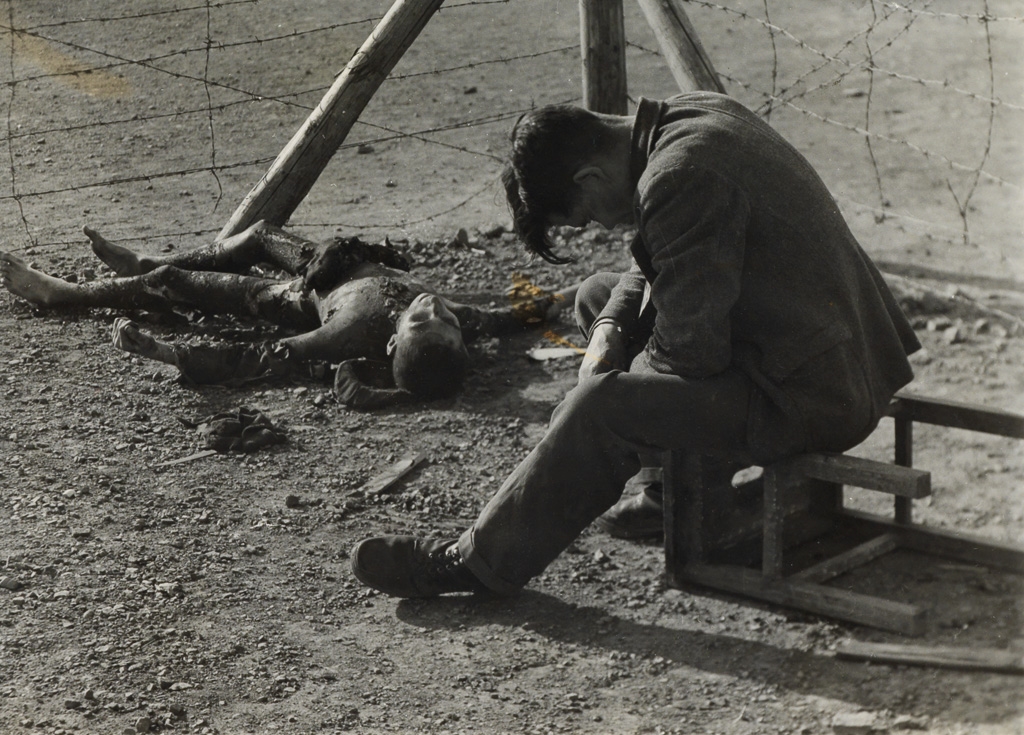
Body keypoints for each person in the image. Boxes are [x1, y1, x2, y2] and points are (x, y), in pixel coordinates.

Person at [349, 91, 921, 597]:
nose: (600, 227)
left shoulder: (678, 177)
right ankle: (663, 494)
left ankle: (472, 564)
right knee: (598, 299)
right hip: (825, 350)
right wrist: (606, 337)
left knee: (600, 407)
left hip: (815, 395)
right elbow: (650, 266)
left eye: (587, 219)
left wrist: (600, 389)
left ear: (588, 180)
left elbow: (692, 356)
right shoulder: (693, 114)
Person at [0, 222, 575, 406]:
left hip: (302, 296)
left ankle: (67, 294)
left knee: (178, 283)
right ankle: (148, 266)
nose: (432, 308)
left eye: (424, 322)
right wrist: (574, 294)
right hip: (329, 262)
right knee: (258, 235)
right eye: (447, 320)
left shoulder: (352, 331)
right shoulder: (458, 324)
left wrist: (167, 353)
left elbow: (264, 357)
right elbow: (515, 315)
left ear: (394, 346)